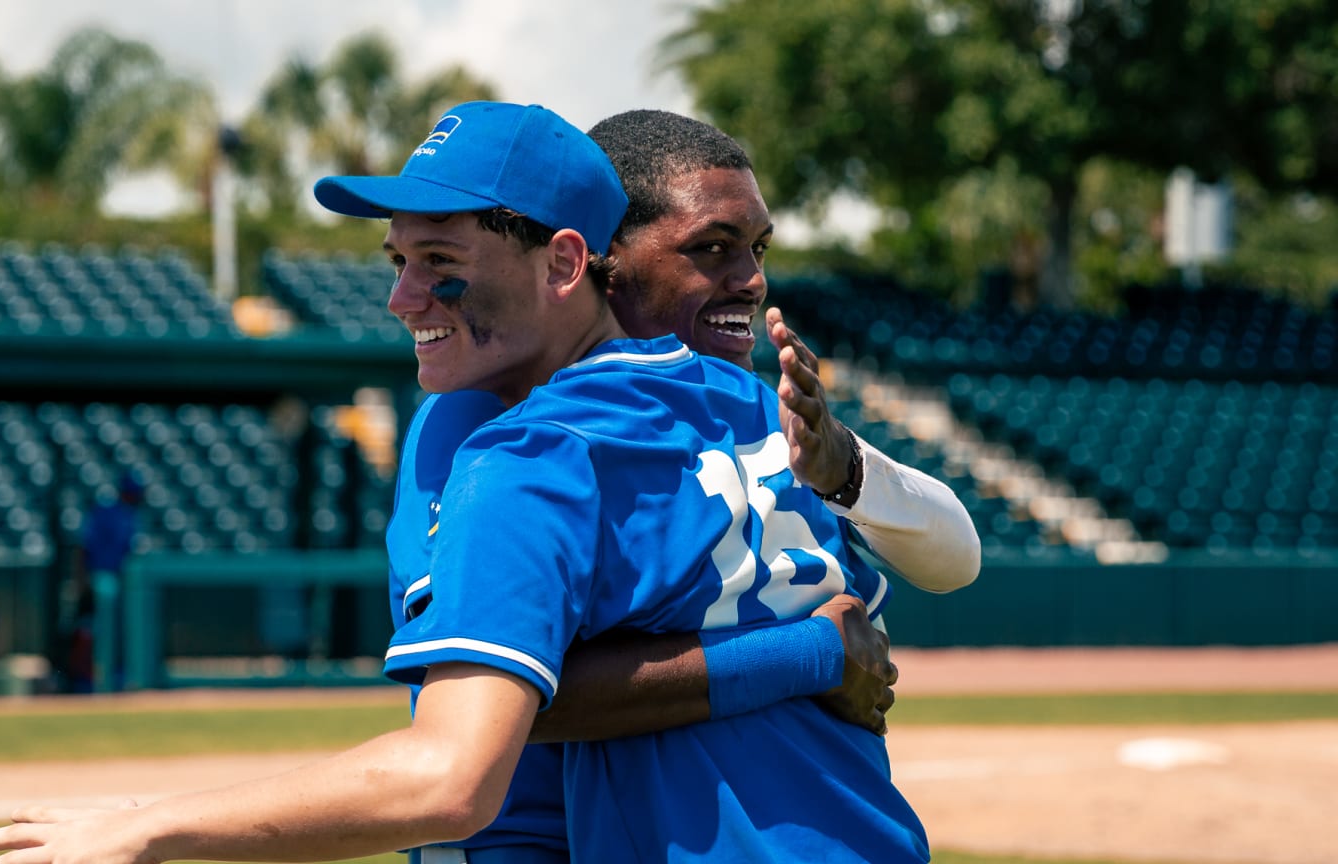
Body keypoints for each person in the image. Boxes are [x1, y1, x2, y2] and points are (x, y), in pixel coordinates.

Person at [0, 101, 928, 863]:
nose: (403, 296)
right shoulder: (744, 400)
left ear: (564, 262)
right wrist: (810, 653)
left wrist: (150, 827)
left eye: (441, 263)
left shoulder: (517, 452)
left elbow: (450, 769)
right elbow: (902, 595)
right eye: (398, 261)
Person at [389, 108, 981, 862]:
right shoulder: (481, 423)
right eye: (712, 249)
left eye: (758, 248)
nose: (753, 279)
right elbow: (494, 710)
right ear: (596, 259)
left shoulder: (752, 414)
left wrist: (847, 469)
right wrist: (809, 654)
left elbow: (956, 555)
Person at [58, 470, 143, 692]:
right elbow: (84, 547)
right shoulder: (106, 511)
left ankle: (113, 679)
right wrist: (81, 581)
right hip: (98, 582)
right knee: (89, 632)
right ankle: (85, 681)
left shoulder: (130, 515)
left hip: (120, 583)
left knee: (116, 634)